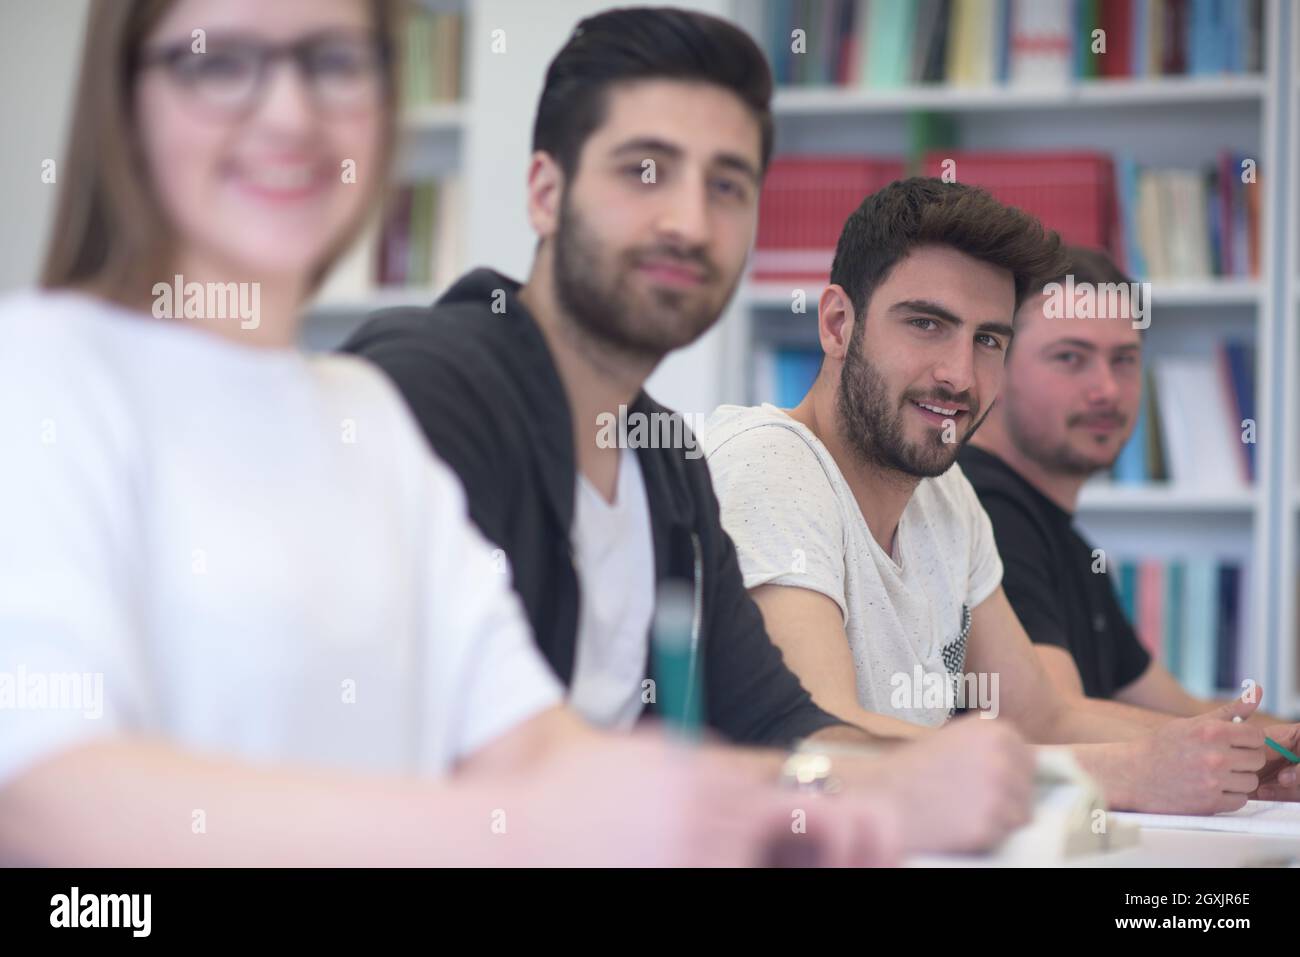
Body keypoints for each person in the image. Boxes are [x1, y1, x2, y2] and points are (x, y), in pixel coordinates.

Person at [0, 0, 900, 868]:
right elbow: (38, 794)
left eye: (336, 62)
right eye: (221, 62)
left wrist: (833, 799)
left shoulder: (364, 418)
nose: (289, 112)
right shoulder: (39, 371)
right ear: (124, 100)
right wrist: (531, 832)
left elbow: (537, 749)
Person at [343, 5, 1034, 854]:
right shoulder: (432, 391)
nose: (689, 221)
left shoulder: (667, 466)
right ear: (546, 192)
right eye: (645, 170)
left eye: (727, 185)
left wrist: (933, 777)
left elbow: (781, 729)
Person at [702, 177, 1295, 815]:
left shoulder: (947, 495)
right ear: (838, 324)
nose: (959, 374)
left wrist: (1252, 759)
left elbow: (1041, 716)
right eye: (927, 323)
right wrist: (1126, 772)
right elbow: (819, 735)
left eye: (988, 339)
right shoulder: (767, 460)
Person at [958, 245, 1300, 802]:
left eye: (1124, 359)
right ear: (995, 367)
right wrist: (1259, 750)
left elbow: (1180, 710)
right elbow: (1048, 718)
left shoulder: (1067, 541)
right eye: (1071, 357)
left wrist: (1281, 747)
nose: (1107, 389)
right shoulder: (982, 507)